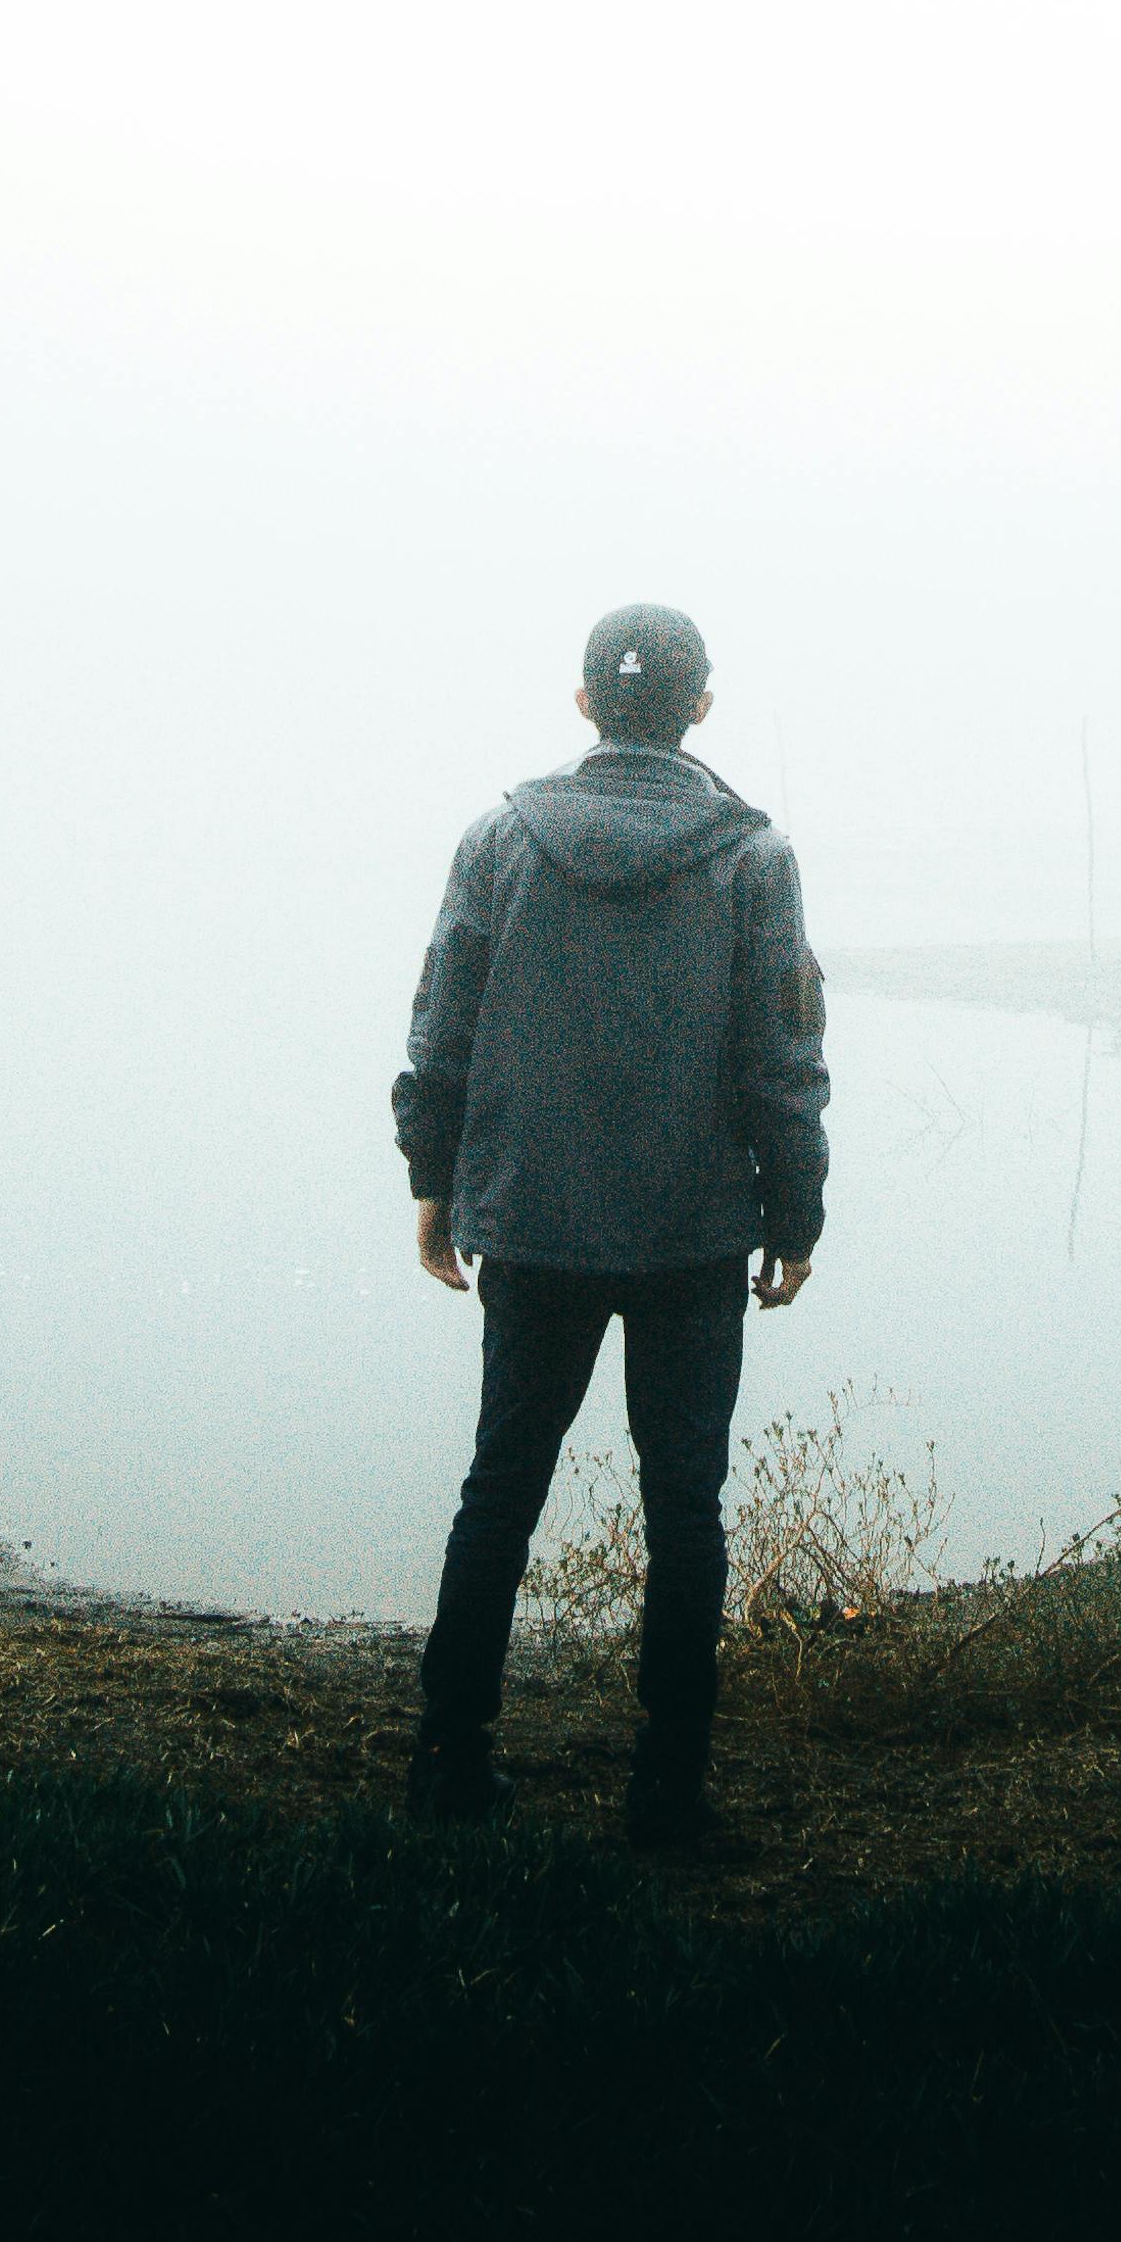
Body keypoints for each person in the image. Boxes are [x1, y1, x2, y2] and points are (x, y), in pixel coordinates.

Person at [391, 600, 830, 1845]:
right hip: (693, 1233)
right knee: (686, 1507)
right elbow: (783, 1057)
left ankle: (447, 1765)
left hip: (533, 1221)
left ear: (584, 702)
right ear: (702, 706)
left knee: (500, 1491)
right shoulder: (755, 857)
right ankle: (666, 1792)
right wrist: (796, 1212)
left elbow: (442, 1030)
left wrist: (435, 1183)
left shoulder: (500, 840)